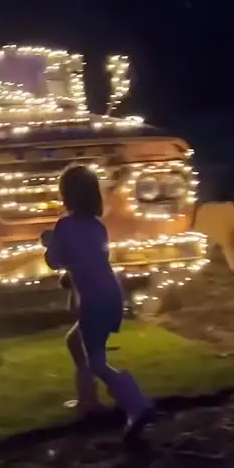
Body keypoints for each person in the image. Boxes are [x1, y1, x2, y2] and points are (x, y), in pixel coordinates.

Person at [42, 165, 157, 441]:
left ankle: (136, 404)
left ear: (66, 196)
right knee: (75, 342)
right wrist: (71, 276)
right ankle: (88, 401)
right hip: (109, 295)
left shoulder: (65, 226)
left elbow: (54, 261)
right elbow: (87, 260)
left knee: (97, 362)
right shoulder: (97, 227)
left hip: (94, 301)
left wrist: (48, 242)